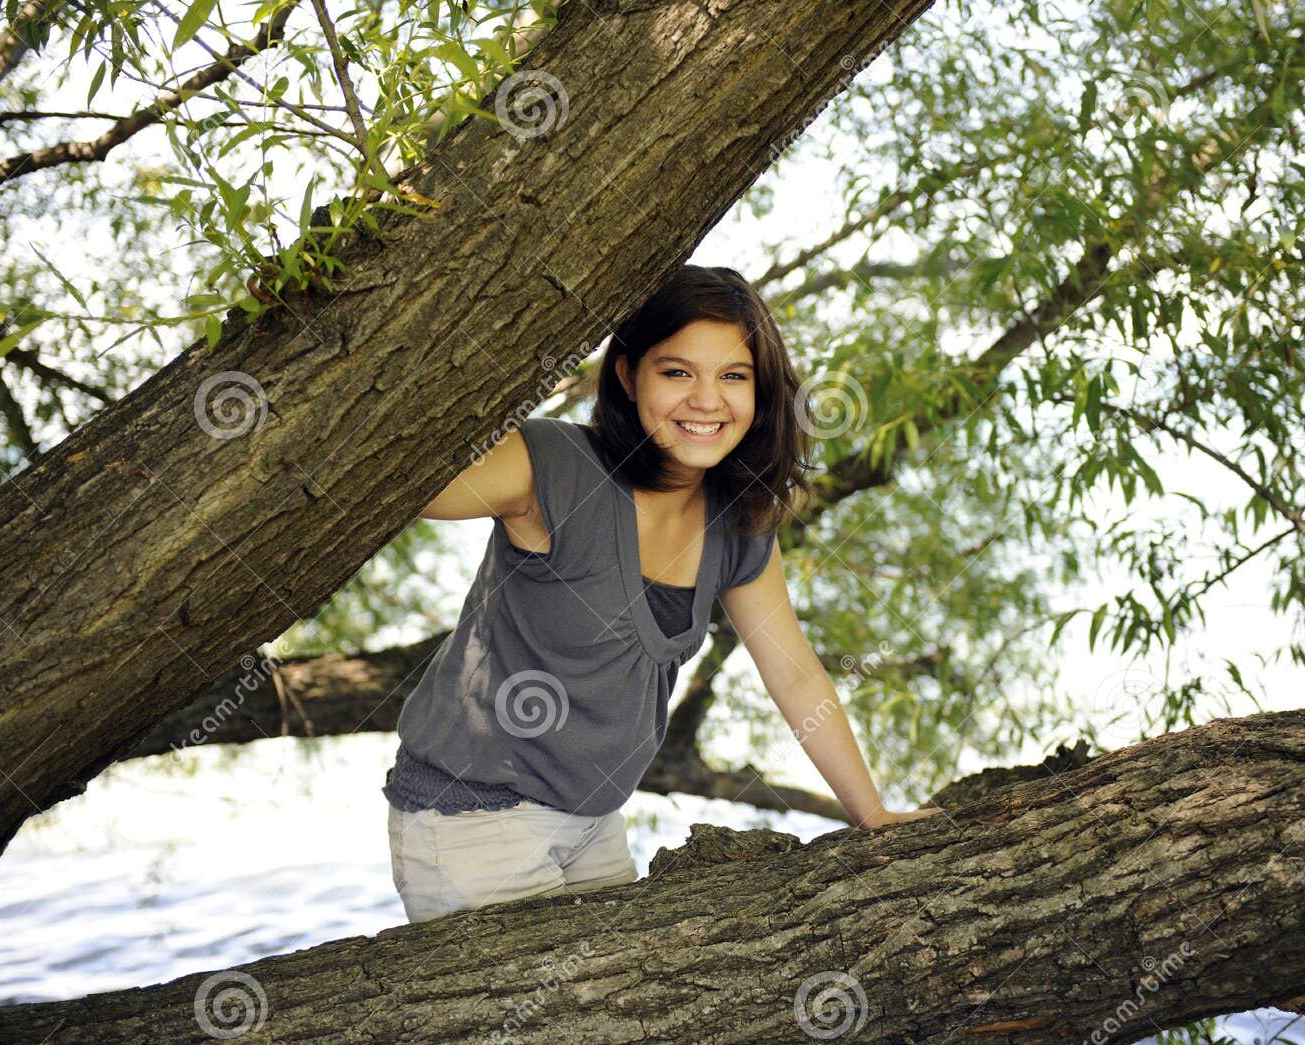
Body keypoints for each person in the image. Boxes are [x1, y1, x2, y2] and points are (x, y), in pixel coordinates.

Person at [384, 264, 942, 926]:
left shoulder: (737, 522)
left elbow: (794, 676)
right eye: (677, 372)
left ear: (762, 394)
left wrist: (872, 816)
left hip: (592, 821)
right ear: (627, 375)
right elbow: (403, 485)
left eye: (733, 376)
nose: (706, 399)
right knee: (557, 1029)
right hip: (471, 818)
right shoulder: (552, 467)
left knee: (626, 1019)